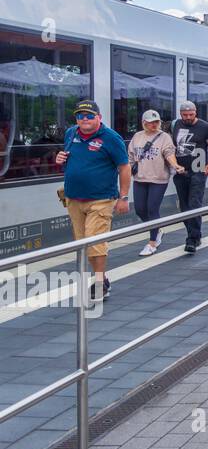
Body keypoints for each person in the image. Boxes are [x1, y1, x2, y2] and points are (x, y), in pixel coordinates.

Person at [57, 100, 130, 301]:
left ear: (99, 117)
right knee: (82, 243)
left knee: (95, 242)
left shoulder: (111, 138)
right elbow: (70, 160)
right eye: (81, 116)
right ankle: (102, 277)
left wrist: (123, 197)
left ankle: (99, 283)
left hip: (101, 199)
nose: (85, 119)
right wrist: (60, 159)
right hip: (73, 198)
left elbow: (124, 167)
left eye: (90, 116)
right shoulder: (71, 133)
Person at [129, 110, 181, 256]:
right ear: (143, 123)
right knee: (140, 209)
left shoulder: (164, 137)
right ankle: (157, 228)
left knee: (152, 209)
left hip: (158, 179)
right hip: (140, 178)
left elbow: (169, 153)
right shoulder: (137, 136)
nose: (154, 124)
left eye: (156, 122)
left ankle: (152, 242)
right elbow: (131, 157)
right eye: (151, 122)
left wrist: (175, 165)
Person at [171, 100, 208, 254]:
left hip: (198, 170)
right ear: (180, 114)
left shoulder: (205, 127)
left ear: (196, 112)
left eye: (191, 114)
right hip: (181, 171)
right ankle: (193, 234)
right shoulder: (176, 125)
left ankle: (192, 239)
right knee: (184, 206)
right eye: (185, 115)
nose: (188, 118)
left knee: (194, 203)